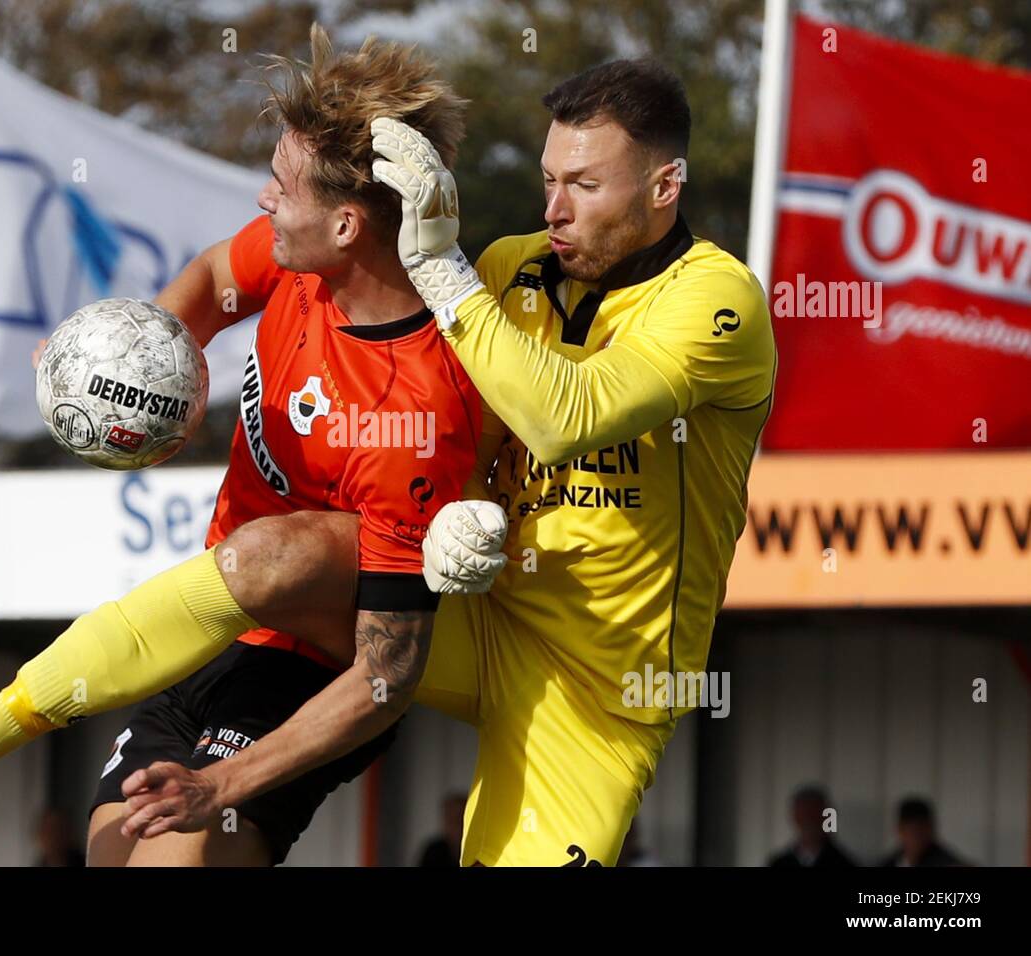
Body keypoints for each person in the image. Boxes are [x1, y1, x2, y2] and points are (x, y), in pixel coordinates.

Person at [0, 26, 488, 868]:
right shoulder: (299, 261)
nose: (262, 201)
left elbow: (385, 678)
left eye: (281, 187)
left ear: (350, 223)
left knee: (264, 566)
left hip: (310, 680)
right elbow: (216, 278)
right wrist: (142, 364)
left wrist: (226, 783)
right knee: (115, 857)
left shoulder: (420, 411)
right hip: (210, 633)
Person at [120, 58, 776, 868]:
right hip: (473, 618)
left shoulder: (720, 301)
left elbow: (566, 417)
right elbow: (470, 435)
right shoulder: (508, 266)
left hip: (597, 688)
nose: (554, 209)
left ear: (664, 186)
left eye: (584, 185)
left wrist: (441, 271)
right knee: (275, 559)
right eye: (546, 180)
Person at [767, 785, 857, 867]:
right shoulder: (779, 863)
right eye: (803, 814)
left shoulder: (843, 863)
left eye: (814, 814)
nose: (809, 820)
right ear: (794, 817)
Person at [878, 797, 967, 867]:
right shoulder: (890, 862)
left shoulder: (946, 862)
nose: (916, 838)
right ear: (899, 830)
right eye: (912, 831)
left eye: (920, 831)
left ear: (930, 830)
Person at [415, 792, 466, 867]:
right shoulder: (433, 853)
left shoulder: (479, 852)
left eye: (459, 819)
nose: (456, 825)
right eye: (451, 819)